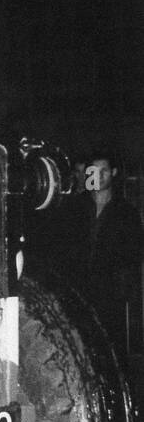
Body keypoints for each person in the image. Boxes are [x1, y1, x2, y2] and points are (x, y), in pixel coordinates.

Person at [58, 151, 143, 355]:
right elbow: (61, 247)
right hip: (77, 291)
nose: (99, 175)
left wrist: (123, 285)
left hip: (110, 295)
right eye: (94, 171)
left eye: (104, 170)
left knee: (111, 350)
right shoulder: (74, 208)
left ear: (113, 172)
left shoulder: (125, 212)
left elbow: (134, 253)